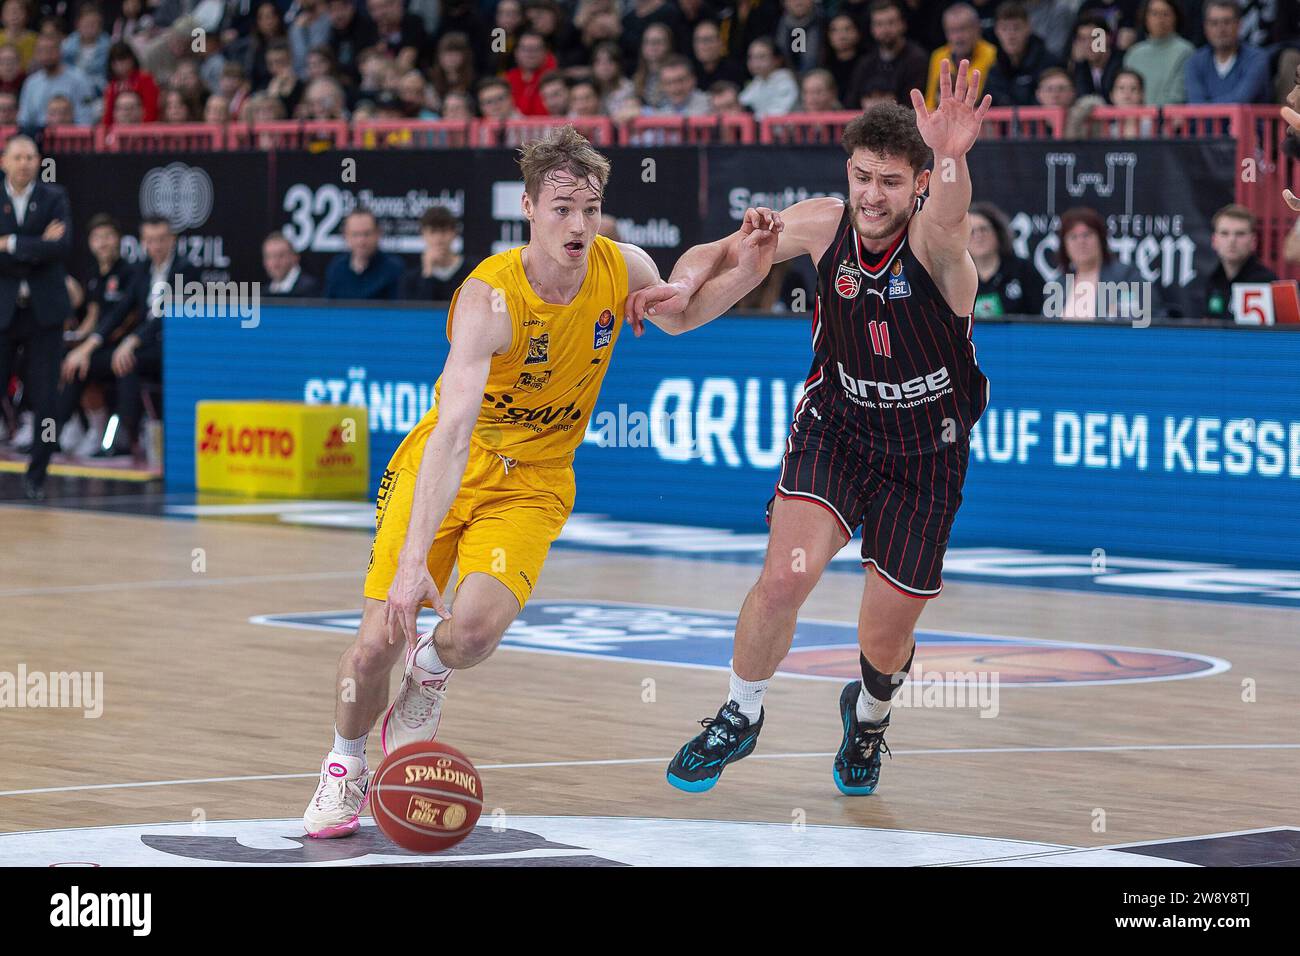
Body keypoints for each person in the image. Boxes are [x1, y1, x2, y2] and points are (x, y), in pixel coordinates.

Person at [301, 125, 779, 838]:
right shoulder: (488, 298)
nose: (579, 224)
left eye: (589, 208)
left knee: (474, 632)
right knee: (375, 642)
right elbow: (454, 434)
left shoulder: (624, 267)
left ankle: (428, 677)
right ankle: (343, 765)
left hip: (535, 481)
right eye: (561, 208)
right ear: (527, 208)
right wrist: (409, 567)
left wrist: (751, 268)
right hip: (448, 467)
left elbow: (680, 315)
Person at [629, 62, 993, 796]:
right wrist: (688, 281)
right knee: (780, 582)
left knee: (882, 640)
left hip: (926, 454)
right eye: (863, 175)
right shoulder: (825, 223)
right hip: (838, 426)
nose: (871, 193)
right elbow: (718, 250)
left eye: (891, 181)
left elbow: (952, 209)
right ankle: (741, 711)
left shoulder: (937, 247)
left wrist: (950, 152)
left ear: (917, 184)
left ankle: (869, 717)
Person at [0, 135, 72, 500]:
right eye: (18, 157)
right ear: (4, 162)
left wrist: (10, 244)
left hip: (44, 315)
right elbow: (46, 247)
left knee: (45, 398)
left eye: (30, 157)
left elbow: (61, 247)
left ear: (39, 161)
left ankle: (38, 476)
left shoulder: (54, 196)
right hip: (4, 313)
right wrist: (35, 245)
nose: (25, 163)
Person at [84, 216, 185, 459]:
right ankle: (57, 433)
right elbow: (120, 311)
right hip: (142, 345)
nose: (156, 246)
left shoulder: (186, 269)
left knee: (127, 362)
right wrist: (90, 344)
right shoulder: (141, 269)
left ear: (173, 239)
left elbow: (166, 316)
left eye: (162, 240)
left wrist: (131, 341)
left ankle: (122, 438)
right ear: (143, 242)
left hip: (172, 347)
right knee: (83, 362)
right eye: (150, 241)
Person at [49, 213, 131, 460]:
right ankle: (70, 427)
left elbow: (125, 318)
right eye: (97, 238)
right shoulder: (94, 274)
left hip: (116, 345)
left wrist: (89, 346)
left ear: (118, 239)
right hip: (96, 342)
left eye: (108, 237)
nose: (103, 243)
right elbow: (93, 316)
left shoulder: (129, 272)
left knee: (80, 365)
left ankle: (103, 434)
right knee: (60, 356)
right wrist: (76, 337)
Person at [1050, 205, 1162, 320]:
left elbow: (1151, 317)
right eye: (1073, 237)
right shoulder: (1058, 285)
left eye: (1087, 235)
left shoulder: (1126, 276)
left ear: (1101, 239)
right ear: (1064, 246)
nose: (1081, 242)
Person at [1199, 204, 1277, 320]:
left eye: (1240, 234)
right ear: (1214, 241)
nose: (1232, 241)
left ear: (1253, 242)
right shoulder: (1212, 280)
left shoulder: (1266, 283)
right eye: (1224, 233)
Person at [1184, 0, 1270, 104]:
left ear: (1239, 25)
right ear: (1205, 27)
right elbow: (1196, 104)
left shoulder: (1256, 58)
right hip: (1204, 120)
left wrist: (1206, 108)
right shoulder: (1195, 61)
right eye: (1214, 23)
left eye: (1227, 22)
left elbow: (1241, 100)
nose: (1221, 29)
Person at [847, 0, 928, 109]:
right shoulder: (865, 63)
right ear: (872, 29)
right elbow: (852, 104)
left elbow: (914, 105)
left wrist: (879, 107)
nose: (885, 29)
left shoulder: (917, 60)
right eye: (879, 24)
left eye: (891, 22)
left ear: (903, 24)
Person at [968, 201, 1043, 316]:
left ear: (998, 233)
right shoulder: (960, 276)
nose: (978, 236)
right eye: (971, 232)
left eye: (983, 229)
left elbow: (1041, 314)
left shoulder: (1022, 269)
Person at [986, 1, 1060, 106]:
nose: (1011, 36)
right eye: (1004, 29)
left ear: (1028, 28)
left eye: (1016, 28)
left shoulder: (1048, 62)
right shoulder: (994, 68)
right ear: (996, 31)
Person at [17, 31, 97, 127]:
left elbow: (85, 119)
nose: (46, 55)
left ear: (60, 51)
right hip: (37, 137)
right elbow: (24, 119)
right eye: (41, 51)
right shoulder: (31, 83)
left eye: (50, 50)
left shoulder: (79, 80)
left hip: (70, 136)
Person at [1122, 0, 1194, 105]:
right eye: (1154, 13)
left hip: (1169, 118)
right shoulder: (1134, 53)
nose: (1160, 20)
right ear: (1145, 18)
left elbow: (1178, 95)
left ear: (1175, 17)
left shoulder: (1185, 51)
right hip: (1136, 118)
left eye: (1166, 14)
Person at [925, 4, 996, 109]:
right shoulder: (938, 56)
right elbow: (930, 102)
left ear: (976, 29)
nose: (958, 37)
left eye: (963, 29)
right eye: (952, 31)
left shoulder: (990, 53)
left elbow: (980, 96)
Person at [324, 209, 404, 300]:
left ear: (378, 234)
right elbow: (328, 308)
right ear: (345, 236)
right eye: (355, 234)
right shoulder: (337, 268)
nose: (361, 241)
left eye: (367, 234)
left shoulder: (393, 268)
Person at [399, 207, 469, 301]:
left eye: (444, 231)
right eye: (433, 232)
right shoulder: (411, 279)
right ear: (423, 234)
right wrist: (427, 272)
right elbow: (417, 312)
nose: (439, 238)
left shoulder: (471, 271)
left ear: (454, 233)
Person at [739, 36, 799, 118]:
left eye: (761, 57)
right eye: (751, 57)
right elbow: (742, 103)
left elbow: (779, 114)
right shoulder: (758, 81)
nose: (755, 62)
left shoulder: (786, 82)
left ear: (777, 60)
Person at [263, 231, 321, 297]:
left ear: (295, 257)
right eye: (269, 257)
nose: (275, 263)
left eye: (281, 256)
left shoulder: (309, 288)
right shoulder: (264, 290)